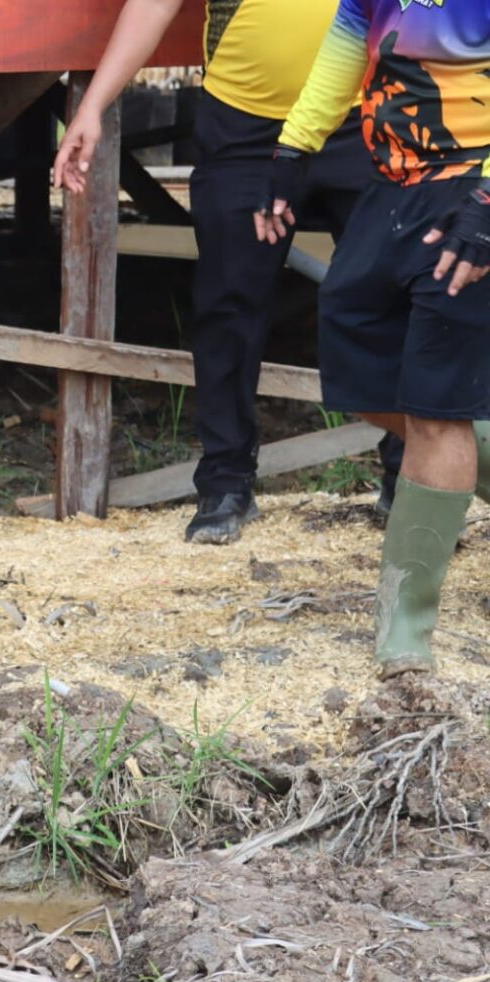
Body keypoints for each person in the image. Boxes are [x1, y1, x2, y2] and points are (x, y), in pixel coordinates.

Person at [54, 0, 406, 543]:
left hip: (364, 114)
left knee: (396, 291)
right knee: (228, 303)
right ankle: (225, 482)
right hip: (246, 125)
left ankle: (411, 475)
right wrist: (93, 105)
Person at [255, 0, 489, 678]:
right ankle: (457, 462)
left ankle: (405, 631)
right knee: (353, 352)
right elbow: (347, 38)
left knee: (437, 409)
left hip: (473, 193)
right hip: (390, 186)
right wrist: (293, 147)